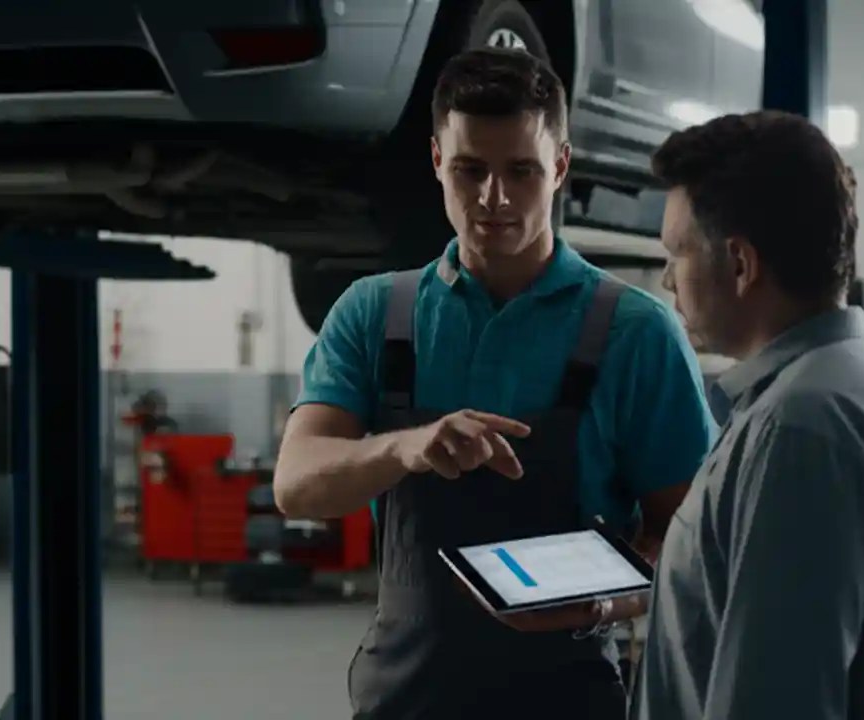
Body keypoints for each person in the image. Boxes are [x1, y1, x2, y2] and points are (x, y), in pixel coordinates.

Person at [272, 48, 715, 719]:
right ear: (435, 160)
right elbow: (297, 484)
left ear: (560, 165)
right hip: (404, 699)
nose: (494, 198)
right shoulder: (375, 314)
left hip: (565, 700)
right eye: (470, 169)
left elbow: (688, 540)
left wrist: (602, 601)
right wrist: (405, 447)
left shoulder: (636, 334)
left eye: (521, 171)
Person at [630, 110, 864, 720]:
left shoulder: (800, 427)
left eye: (677, 253)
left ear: (740, 264)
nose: (667, 280)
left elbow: (776, 697)